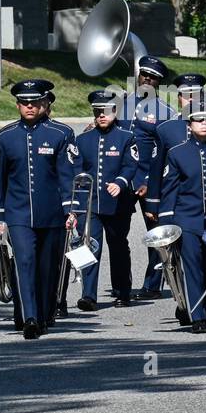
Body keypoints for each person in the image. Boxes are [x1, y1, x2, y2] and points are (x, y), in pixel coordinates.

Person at [0, 79, 76, 338]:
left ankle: (46, 312)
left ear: (42, 103)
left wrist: (72, 211)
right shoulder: (5, 137)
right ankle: (30, 318)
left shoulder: (60, 133)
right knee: (24, 260)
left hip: (52, 214)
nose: (29, 107)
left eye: (34, 102)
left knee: (48, 267)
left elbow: (66, 175)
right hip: (18, 214)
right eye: (24, 103)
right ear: (17, 105)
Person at [159, 107, 206, 333]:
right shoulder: (177, 153)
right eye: (198, 121)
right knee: (192, 267)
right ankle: (197, 315)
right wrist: (166, 222)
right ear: (189, 126)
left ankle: (204, 306)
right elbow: (170, 189)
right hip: (187, 217)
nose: (204, 124)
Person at [73, 90, 138, 310]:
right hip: (90, 203)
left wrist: (120, 182)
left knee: (118, 245)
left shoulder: (126, 137)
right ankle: (88, 295)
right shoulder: (82, 139)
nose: (102, 115)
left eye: (107, 111)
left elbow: (130, 165)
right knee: (89, 246)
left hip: (118, 203)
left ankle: (122, 291)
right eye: (98, 111)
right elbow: (76, 169)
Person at [127, 56, 176, 299]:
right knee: (115, 237)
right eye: (144, 74)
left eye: (153, 77)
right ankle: (121, 287)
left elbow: (166, 153)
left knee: (155, 234)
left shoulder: (165, 112)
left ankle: (153, 284)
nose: (147, 79)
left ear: (159, 82)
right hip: (121, 181)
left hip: (147, 181)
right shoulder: (118, 104)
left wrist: (150, 181)